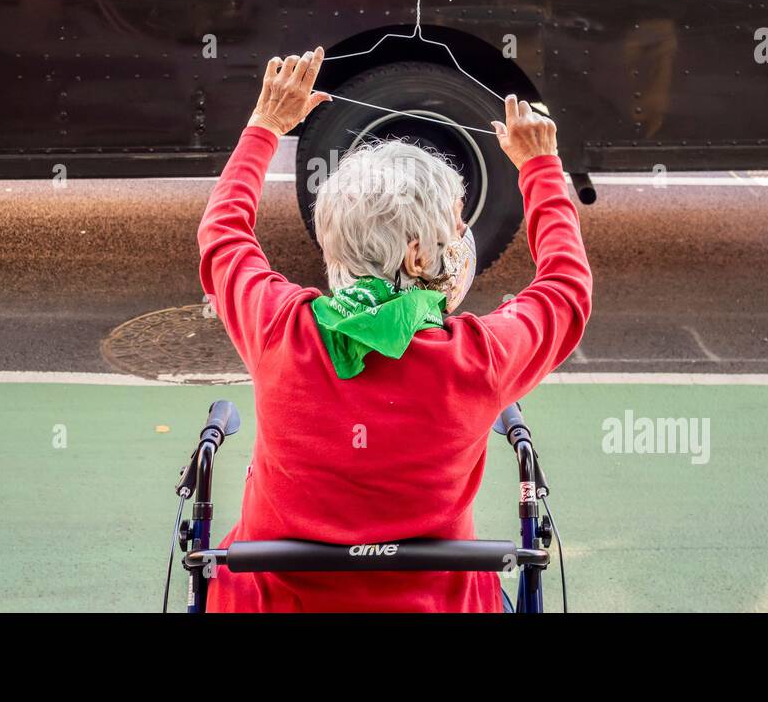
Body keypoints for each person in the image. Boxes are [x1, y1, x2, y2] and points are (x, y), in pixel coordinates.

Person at [197, 46, 592, 611]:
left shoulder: (279, 327)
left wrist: (265, 126)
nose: (461, 240)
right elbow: (566, 291)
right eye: (456, 225)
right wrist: (539, 167)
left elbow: (222, 237)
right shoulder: (477, 359)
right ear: (416, 256)